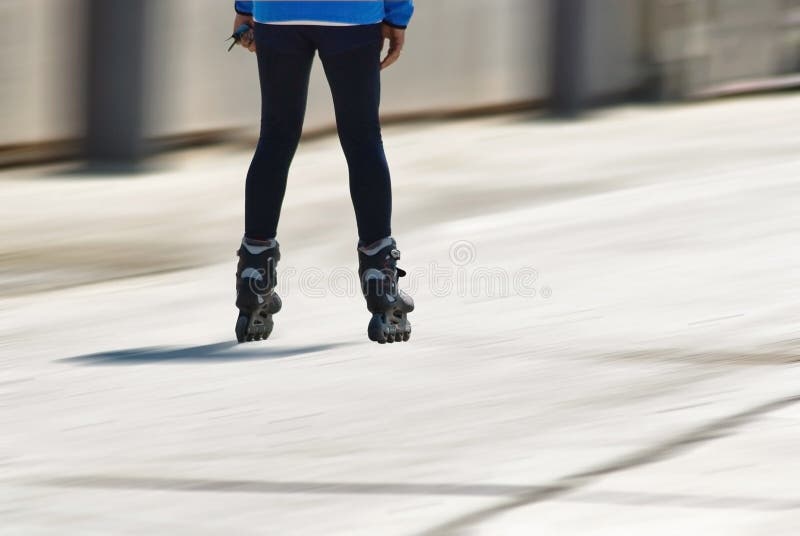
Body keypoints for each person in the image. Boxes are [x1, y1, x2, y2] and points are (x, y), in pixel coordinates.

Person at [232, 0, 415, 345]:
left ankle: (255, 276)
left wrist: (246, 6)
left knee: (275, 137)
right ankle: (380, 282)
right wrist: (397, 14)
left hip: (278, 13)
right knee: (363, 140)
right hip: (351, 15)